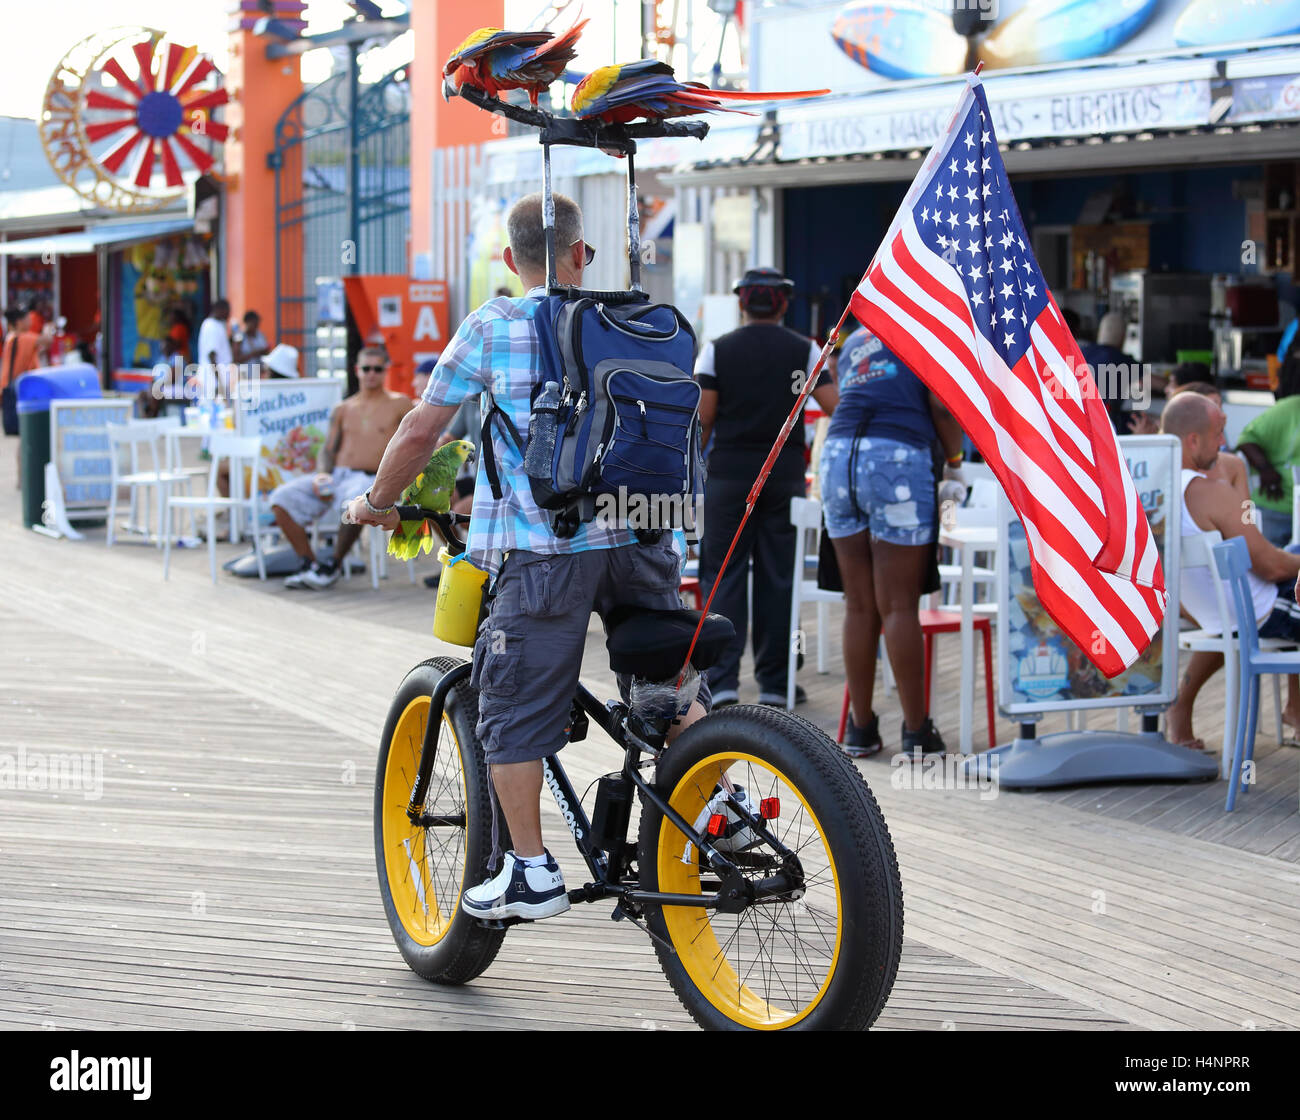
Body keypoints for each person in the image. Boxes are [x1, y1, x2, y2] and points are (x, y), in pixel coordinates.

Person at [344, 191, 710, 922]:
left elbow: (421, 428)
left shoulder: (495, 323)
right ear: (586, 254)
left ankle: (531, 870)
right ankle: (718, 811)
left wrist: (378, 501)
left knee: (510, 708)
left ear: (511, 262)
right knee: (666, 691)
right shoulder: (632, 318)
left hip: (545, 553)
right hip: (644, 537)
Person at [695, 267, 839, 707]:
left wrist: (693, 479)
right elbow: (836, 405)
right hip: (785, 478)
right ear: (784, 303)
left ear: (742, 303)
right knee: (781, 579)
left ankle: (721, 683)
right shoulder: (806, 350)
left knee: (723, 578)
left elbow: (702, 422)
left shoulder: (716, 351)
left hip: (729, 481)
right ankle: (776, 684)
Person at [821, 324, 963, 758]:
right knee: (899, 605)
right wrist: (955, 462)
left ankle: (860, 729)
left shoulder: (856, 339)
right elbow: (942, 405)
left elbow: (834, 386)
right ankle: (918, 732)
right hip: (898, 457)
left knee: (859, 603)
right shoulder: (929, 326)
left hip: (837, 456)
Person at [1161, 392, 1300, 746]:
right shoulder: (1211, 492)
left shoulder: (1151, 491)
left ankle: (1296, 708)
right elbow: (1270, 567)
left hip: (1206, 611)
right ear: (1194, 440)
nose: (1225, 442)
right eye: (1219, 432)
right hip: (1259, 612)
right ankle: (1296, 709)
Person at [271, 347, 412, 589]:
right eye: (366, 368)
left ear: (385, 371)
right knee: (280, 498)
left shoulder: (399, 403)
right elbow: (328, 449)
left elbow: (415, 443)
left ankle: (333, 566)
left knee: (354, 504)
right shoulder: (343, 408)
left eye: (377, 369)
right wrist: (323, 474)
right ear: (357, 370)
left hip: (374, 479)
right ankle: (310, 565)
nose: (371, 374)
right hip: (337, 476)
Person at [1165, 380, 1248, 500]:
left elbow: (1246, 516)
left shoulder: (1234, 464)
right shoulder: (1159, 463)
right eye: (1212, 406)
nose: (1222, 414)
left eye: (1220, 406)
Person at [196, 299, 233, 402]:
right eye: (227, 311)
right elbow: (212, 356)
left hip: (217, 377)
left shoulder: (217, 325)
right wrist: (220, 383)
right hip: (212, 378)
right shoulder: (211, 326)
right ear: (220, 309)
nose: (229, 315)